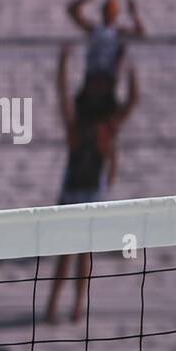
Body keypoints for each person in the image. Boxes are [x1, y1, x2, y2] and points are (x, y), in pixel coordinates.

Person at [45, 44, 138, 324]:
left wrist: (131, 68)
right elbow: (63, 97)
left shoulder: (105, 129)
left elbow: (132, 102)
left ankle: (75, 306)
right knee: (66, 256)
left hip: (89, 197)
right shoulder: (80, 127)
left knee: (82, 255)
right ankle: (54, 306)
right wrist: (62, 65)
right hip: (73, 194)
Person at [65, 0, 144, 92]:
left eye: (111, 10)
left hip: (108, 78)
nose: (108, 13)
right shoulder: (95, 29)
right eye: (107, 9)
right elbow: (72, 10)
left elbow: (141, 35)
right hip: (92, 77)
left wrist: (134, 14)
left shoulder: (119, 33)